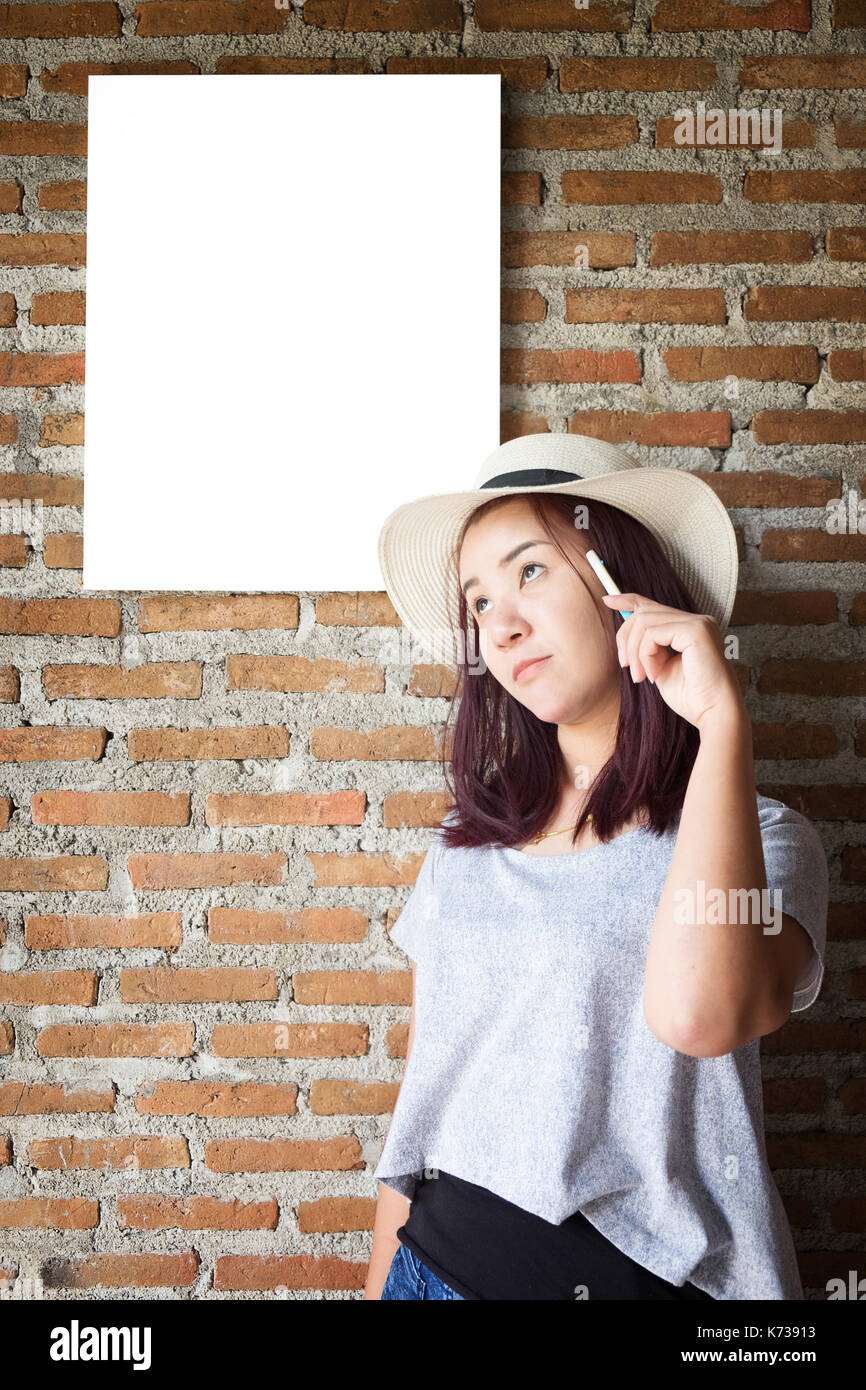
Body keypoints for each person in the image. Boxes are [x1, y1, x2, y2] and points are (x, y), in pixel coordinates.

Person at [364, 433, 829, 1301]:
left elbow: (702, 1015)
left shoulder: (767, 842)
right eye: (479, 599)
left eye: (531, 571)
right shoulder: (465, 845)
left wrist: (722, 721)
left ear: (621, 582)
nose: (500, 624)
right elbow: (428, 1097)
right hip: (434, 1273)